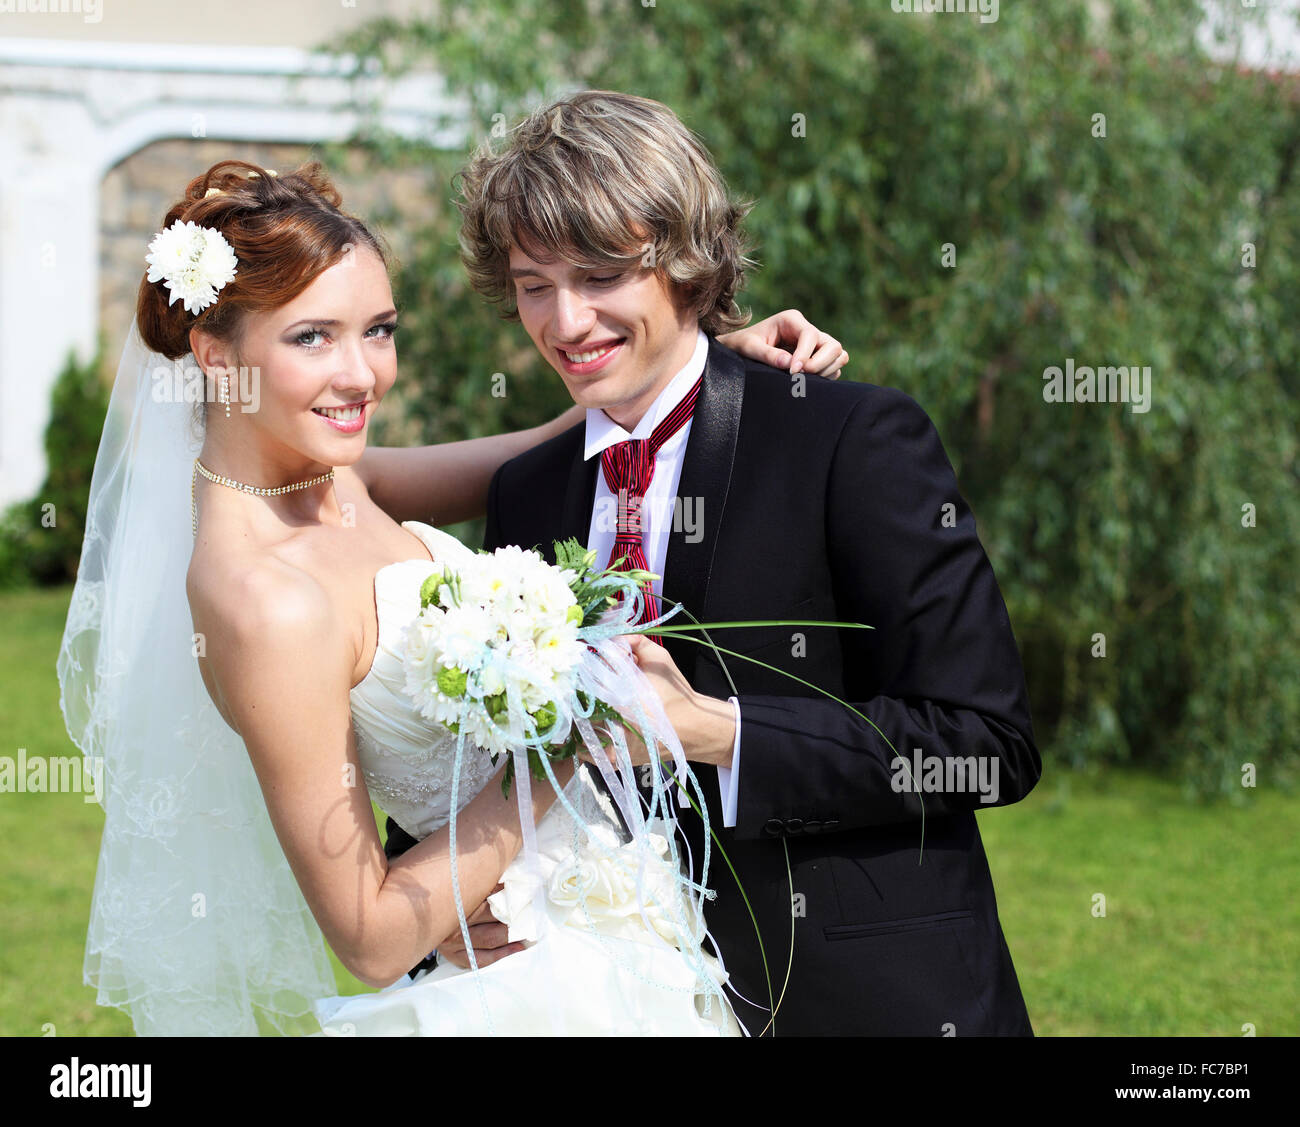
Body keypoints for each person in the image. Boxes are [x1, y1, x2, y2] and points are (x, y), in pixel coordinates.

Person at [56, 156, 848, 1036]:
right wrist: (570, 744)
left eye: (379, 330)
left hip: (611, 911)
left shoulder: (334, 480)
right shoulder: (263, 598)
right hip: (538, 981)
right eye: (312, 338)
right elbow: (369, 932)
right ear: (214, 353)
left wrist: (695, 368)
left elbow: (536, 449)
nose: (362, 375)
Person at [382, 90, 1042, 1036]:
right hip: (604, 994)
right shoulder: (530, 493)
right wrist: (447, 899)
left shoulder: (850, 439)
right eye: (533, 283)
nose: (565, 321)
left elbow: (984, 743)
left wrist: (718, 731)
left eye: (602, 273)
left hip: (859, 1000)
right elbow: (484, 740)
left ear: (686, 264)